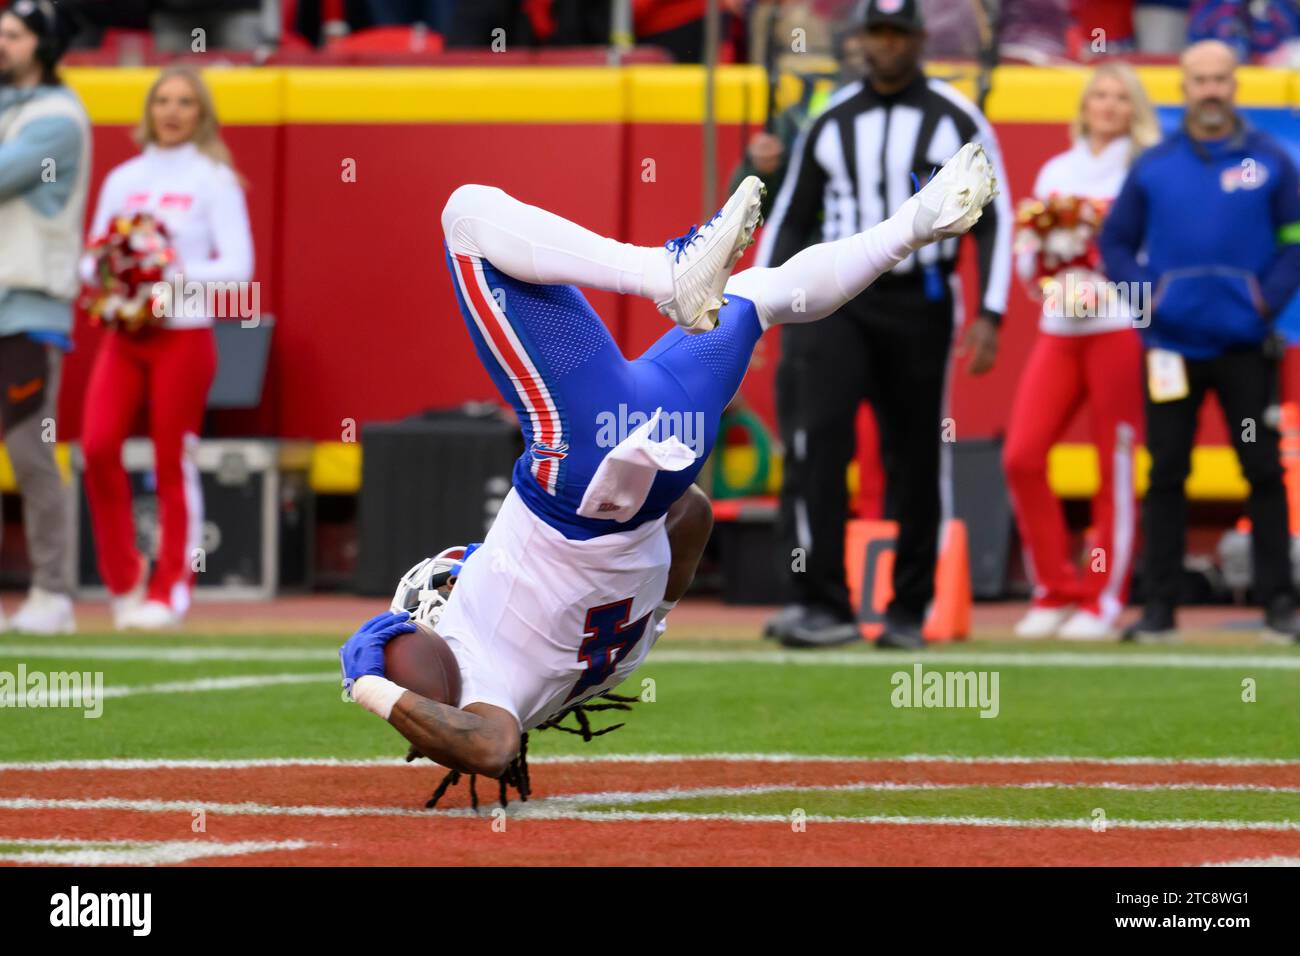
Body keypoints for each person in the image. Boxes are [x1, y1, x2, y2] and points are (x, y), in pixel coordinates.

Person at [339, 143, 997, 795]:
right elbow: (489, 745)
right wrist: (368, 683)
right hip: (580, 470)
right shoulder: (469, 655)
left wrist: (648, 561)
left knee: (758, 295)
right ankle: (666, 271)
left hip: (668, 452)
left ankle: (916, 222)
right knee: (467, 218)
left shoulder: (601, 665)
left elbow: (694, 515)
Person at [757, 0, 1012, 650]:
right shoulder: (830, 119)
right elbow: (792, 213)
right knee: (820, 446)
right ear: (861, 40)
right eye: (878, 32)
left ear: (920, 40)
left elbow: (997, 216)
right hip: (835, 301)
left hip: (919, 301)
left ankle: (908, 608)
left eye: (900, 34)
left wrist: (990, 310)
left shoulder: (958, 117)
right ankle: (825, 603)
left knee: (916, 455)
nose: (889, 44)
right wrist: (754, 300)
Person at [1099, 40, 1300, 643]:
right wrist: (1149, 297)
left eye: (1219, 79)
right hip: (1170, 349)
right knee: (1165, 475)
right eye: (1198, 80)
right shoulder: (1154, 165)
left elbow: (1295, 239)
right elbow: (1113, 245)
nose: (1209, 90)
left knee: (1262, 473)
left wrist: (1263, 301)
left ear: (1234, 84)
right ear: (1182, 86)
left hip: (1244, 347)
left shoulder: (1271, 162)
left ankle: (1280, 608)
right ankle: (1158, 611)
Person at [80, 65, 254, 630]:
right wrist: (116, 273)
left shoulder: (215, 179)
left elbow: (238, 268)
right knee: (98, 446)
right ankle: (123, 576)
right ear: (148, 110)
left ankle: (170, 589)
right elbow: (90, 258)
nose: (172, 111)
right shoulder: (123, 177)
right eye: (163, 101)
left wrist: (166, 272)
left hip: (183, 336)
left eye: (184, 101)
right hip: (125, 335)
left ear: (201, 113)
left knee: (170, 460)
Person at [1004, 63, 1159, 641]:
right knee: (1022, 455)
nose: (1109, 105)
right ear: (1085, 103)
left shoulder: (1145, 168)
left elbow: (1152, 253)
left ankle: (1104, 599)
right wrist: (1048, 287)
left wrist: (1116, 294)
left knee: (1112, 466)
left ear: (1134, 107)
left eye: (1122, 97)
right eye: (1100, 94)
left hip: (1118, 328)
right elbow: (1029, 250)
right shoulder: (1056, 169)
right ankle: (1055, 586)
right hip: (1059, 328)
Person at [0, 0, 89, 635]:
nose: (0, 43)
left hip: (28, 304)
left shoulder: (58, 115)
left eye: (12, 34)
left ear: (44, 45)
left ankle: (53, 591)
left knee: (31, 451)